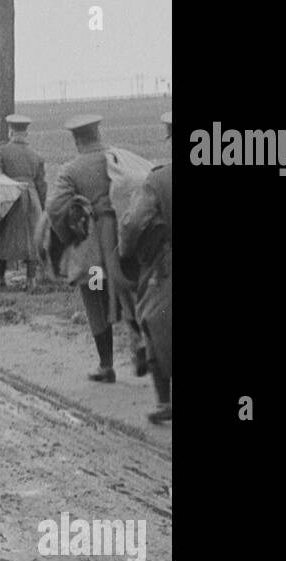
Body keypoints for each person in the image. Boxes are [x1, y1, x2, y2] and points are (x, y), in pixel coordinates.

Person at [46, 115, 145, 383]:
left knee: (95, 297)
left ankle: (106, 365)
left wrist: (69, 234)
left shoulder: (71, 169)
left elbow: (55, 209)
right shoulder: (119, 158)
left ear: (77, 139)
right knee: (127, 291)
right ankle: (140, 345)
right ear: (98, 134)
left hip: (95, 248)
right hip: (126, 240)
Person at [120, 112, 172, 424]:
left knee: (154, 322)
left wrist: (126, 255)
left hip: (165, 267)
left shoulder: (158, 180)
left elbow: (133, 225)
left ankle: (165, 400)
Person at [0, 114, 47, 291]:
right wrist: (41, 205)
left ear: (11, 131)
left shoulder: (2, 152)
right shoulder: (36, 155)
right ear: (26, 132)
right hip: (31, 197)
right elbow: (42, 184)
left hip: (8, 197)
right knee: (31, 238)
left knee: (2, 235)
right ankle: (31, 280)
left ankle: (1, 278)